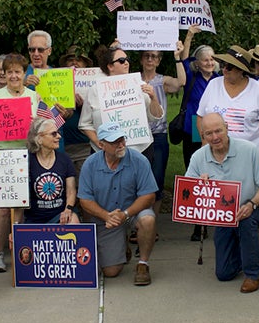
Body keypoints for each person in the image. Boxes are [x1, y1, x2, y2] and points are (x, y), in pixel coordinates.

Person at [185, 114, 259, 293]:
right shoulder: (198, 157)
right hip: (222, 215)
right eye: (209, 133)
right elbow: (188, 194)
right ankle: (255, 247)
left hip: (253, 205)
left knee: (246, 223)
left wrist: (251, 204)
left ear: (226, 128)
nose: (215, 137)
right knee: (224, 274)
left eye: (218, 131)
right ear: (203, 135)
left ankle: (253, 274)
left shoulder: (249, 150)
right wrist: (198, 186)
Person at [0, 53, 41, 272]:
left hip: (27, 153)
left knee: (21, 205)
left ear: (24, 74)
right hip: (2, 154)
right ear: (3, 75)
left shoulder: (34, 97)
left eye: (18, 71)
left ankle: (20, 251)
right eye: (9, 72)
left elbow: (45, 128)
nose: (14, 76)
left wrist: (36, 124)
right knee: (4, 208)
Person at [77, 121, 157, 285]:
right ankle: (122, 246)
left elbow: (149, 196)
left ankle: (143, 264)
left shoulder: (139, 160)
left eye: (122, 139)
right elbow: (84, 200)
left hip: (131, 213)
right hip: (106, 218)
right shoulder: (90, 165)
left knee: (148, 219)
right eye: (115, 142)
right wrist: (106, 216)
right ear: (101, 145)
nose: (121, 144)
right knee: (111, 272)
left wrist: (125, 214)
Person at [78, 45, 163, 152]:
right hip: (106, 152)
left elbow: (156, 117)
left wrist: (153, 97)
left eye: (127, 59)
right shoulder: (95, 90)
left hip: (139, 150)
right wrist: (98, 143)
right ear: (110, 66)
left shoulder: (140, 85)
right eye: (122, 60)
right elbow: (85, 124)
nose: (126, 63)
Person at [196, 45, 259, 160]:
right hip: (217, 154)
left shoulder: (258, 89)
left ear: (241, 70)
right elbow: (201, 116)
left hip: (248, 157)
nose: (225, 69)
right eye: (223, 65)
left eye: (230, 67)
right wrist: (205, 142)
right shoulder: (213, 85)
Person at [138, 48, 182, 212]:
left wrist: (177, 58)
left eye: (154, 57)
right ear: (141, 59)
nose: (150, 60)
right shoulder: (133, 80)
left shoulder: (163, 81)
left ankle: (153, 223)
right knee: (137, 180)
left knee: (157, 178)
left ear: (159, 61)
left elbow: (181, 82)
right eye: (147, 56)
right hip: (137, 135)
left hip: (158, 136)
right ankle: (138, 222)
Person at [13, 118, 79, 226]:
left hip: (60, 215)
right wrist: (16, 225)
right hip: (33, 219)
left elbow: (71, 191)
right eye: (53, 134)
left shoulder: (65, 159)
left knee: (73, 222)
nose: (59, 136)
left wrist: (68, 209)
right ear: (39, 138)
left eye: (57, 132)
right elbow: (20, 198)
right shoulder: (26, 161)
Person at [175, 26, 221, 171]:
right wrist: (189, 36)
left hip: (214, 126)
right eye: (205, 60)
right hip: (194, 125)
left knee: (214, 163)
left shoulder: (219, 79)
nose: (209, 63)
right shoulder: (191, 77)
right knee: (194, 163)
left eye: (212, 59)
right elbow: (185, 60)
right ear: (198, 63)